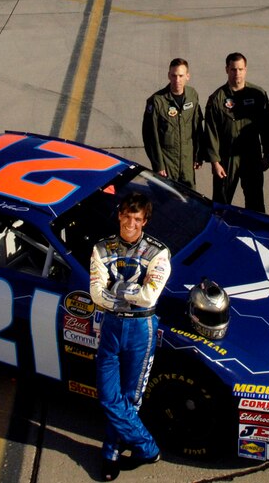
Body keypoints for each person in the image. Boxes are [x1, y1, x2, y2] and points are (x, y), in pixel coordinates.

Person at [90, 194, 172, 481]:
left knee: (130, 398)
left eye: (137, 219)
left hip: (141, 328)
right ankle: (147, 449)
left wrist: (118, 291)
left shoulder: (159, 252)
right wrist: (127, 296)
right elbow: (97, 294)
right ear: (119, 215)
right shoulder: (101, 248)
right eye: (127, 216)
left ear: (145, 221)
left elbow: (150, 296)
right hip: (111, 327)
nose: (131, 223)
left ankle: (110, 453)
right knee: (108, 396)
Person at [204, 52, 269, 212]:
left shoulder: (258, 95)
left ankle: (256, 233)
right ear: (227, 70)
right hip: (226, 159)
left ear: (246, 70)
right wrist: (215, 162)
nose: (237, 73)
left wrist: (267, 154)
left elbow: (267, 126)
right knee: (221, 203)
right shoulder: (217, 99)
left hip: (252, 155)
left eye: (240, 69)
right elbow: (210, 131)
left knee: (255, 202)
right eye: (233, 69)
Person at [141, 58, 203, 188]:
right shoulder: (157, 101)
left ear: (188, 76)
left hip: (187, 162)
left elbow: (197, 127)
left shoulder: (192, 96)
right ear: (169, 75)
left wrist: (198, 154)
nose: (177, 80)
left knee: (189, 200)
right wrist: (158, 164)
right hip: (167, 163)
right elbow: (150, 137)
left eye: (181, 76)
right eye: (174, 76)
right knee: (167, 201)